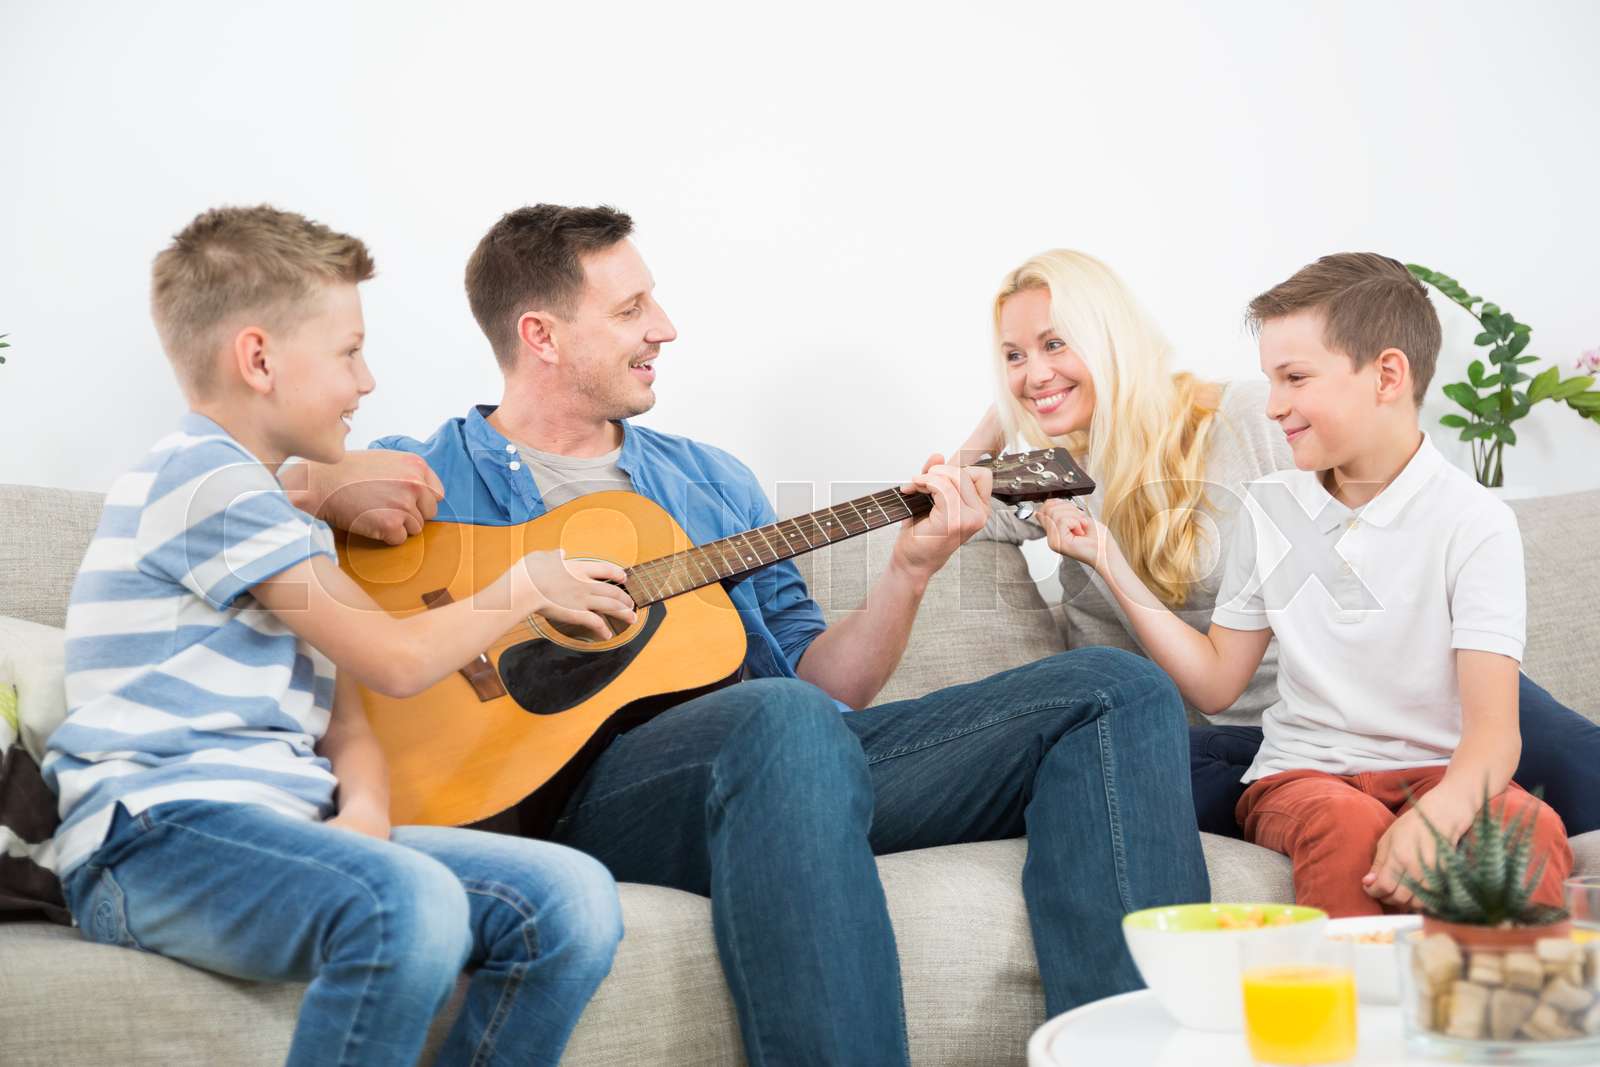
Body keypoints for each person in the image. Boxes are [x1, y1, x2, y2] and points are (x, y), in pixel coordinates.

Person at [304, 203, 1210, 1064]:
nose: (665, 326)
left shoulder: (709, 482)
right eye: (630, 308)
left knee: (1111, 687)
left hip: (787, 765)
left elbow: (828, 691)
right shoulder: (419, 480)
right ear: (540, 335)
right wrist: (316, 483)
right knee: (776, 715)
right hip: (574, 803)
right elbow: (221, 519)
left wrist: (910, 570)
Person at [43, 205, 629, 1067]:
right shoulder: (200, 483)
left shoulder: (288, 518)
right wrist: (528, 580)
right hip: (152, 842)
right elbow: (393, 661)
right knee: (410, 905)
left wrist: (363, 814)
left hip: (285, 827)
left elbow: (346, 719)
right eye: (349, 351)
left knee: (572, 900)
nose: (367, 382)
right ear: (258, 359)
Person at [963, 249, 1600, 842]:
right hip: (1278, 739)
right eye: (1012, 355)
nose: (1035, 371)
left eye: (1053, 344)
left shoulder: (1244, 421)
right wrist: (1006, 403)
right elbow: (947, 511)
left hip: (1406, 696)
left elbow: (1379, 524)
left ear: (1110, 344)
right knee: (1095, 777)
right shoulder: (1052, 483)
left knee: (1575, 773)